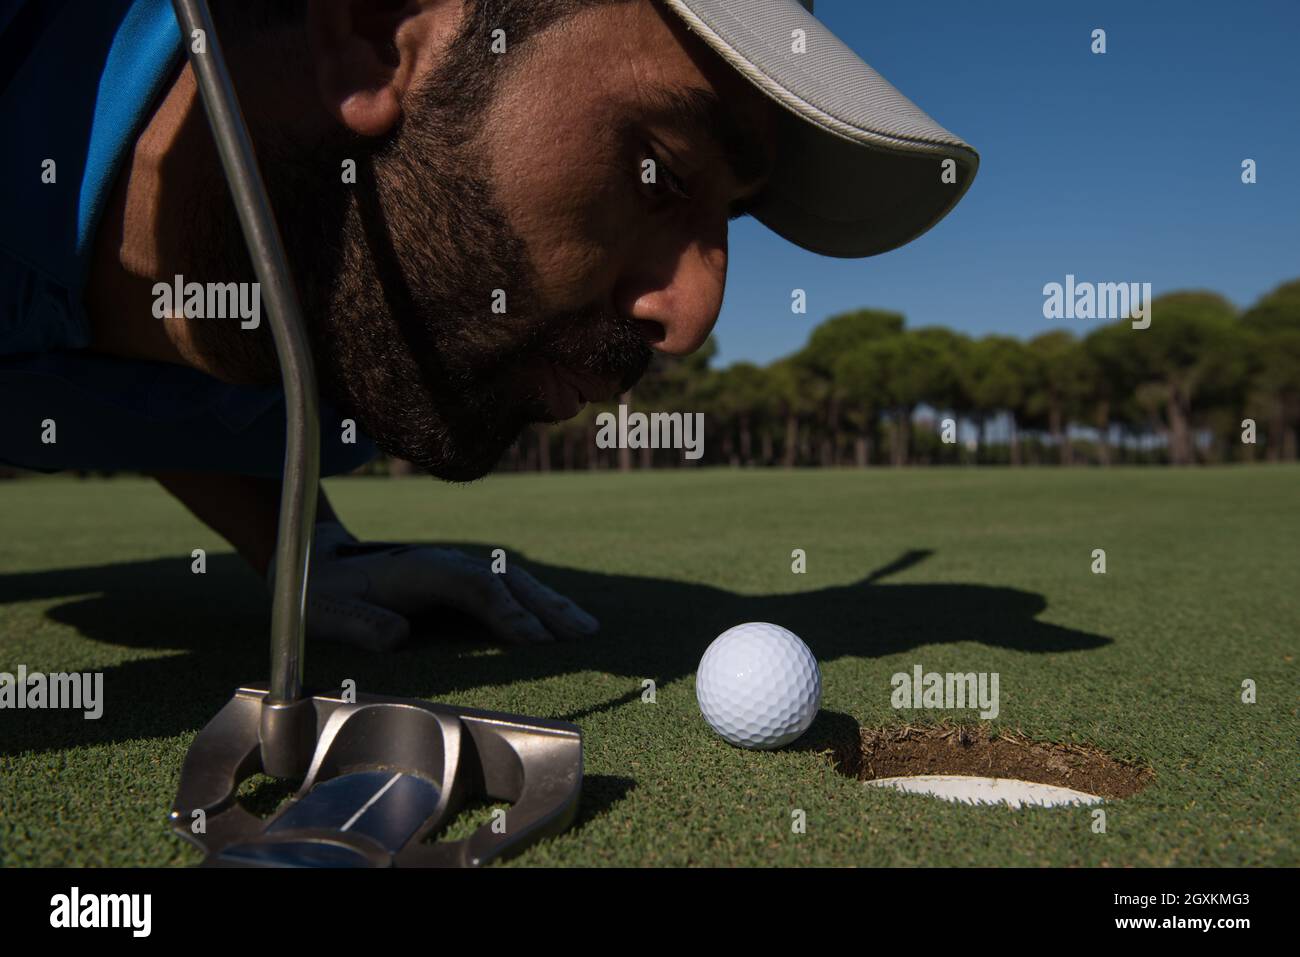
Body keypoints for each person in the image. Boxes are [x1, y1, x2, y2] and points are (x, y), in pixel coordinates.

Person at [0, 0, 977, 650]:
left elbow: (188, 383)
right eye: (661, 174)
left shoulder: (334, 369)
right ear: (380, 26)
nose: (689, 319)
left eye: (731, 221)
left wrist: (304, 555)